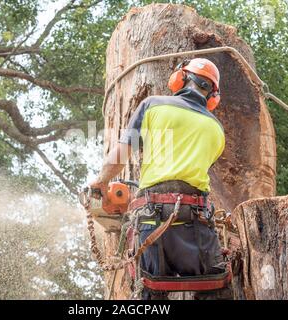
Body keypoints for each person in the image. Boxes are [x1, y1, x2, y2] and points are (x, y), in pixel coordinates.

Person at [90, 58, 230, 300]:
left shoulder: (153, 106)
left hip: (152, 218)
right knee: (215, 289)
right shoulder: (216, 130)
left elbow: (122, 154)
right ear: (211, 95)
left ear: (182, 78)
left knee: (150, 294)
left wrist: (100, 182)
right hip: (196, 220)